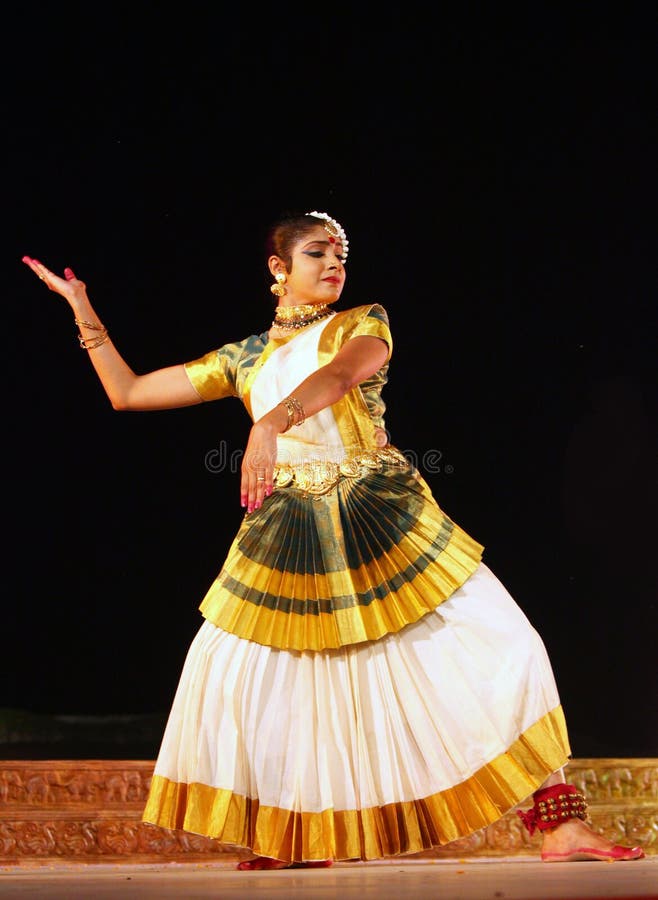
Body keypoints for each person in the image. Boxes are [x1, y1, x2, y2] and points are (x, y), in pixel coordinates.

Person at [21, 211, 644, 869]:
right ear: (277, 269)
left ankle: (561, 824)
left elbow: (343, 376)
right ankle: (298, 840)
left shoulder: (361, 323)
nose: (334, 264)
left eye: (340, 254)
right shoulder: (244, 358)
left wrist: (270, 423)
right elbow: (130, 392)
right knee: (260, 677)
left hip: (380, 513)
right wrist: (82, 309)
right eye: (317, 252)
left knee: (506, 643)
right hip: (286, 525)